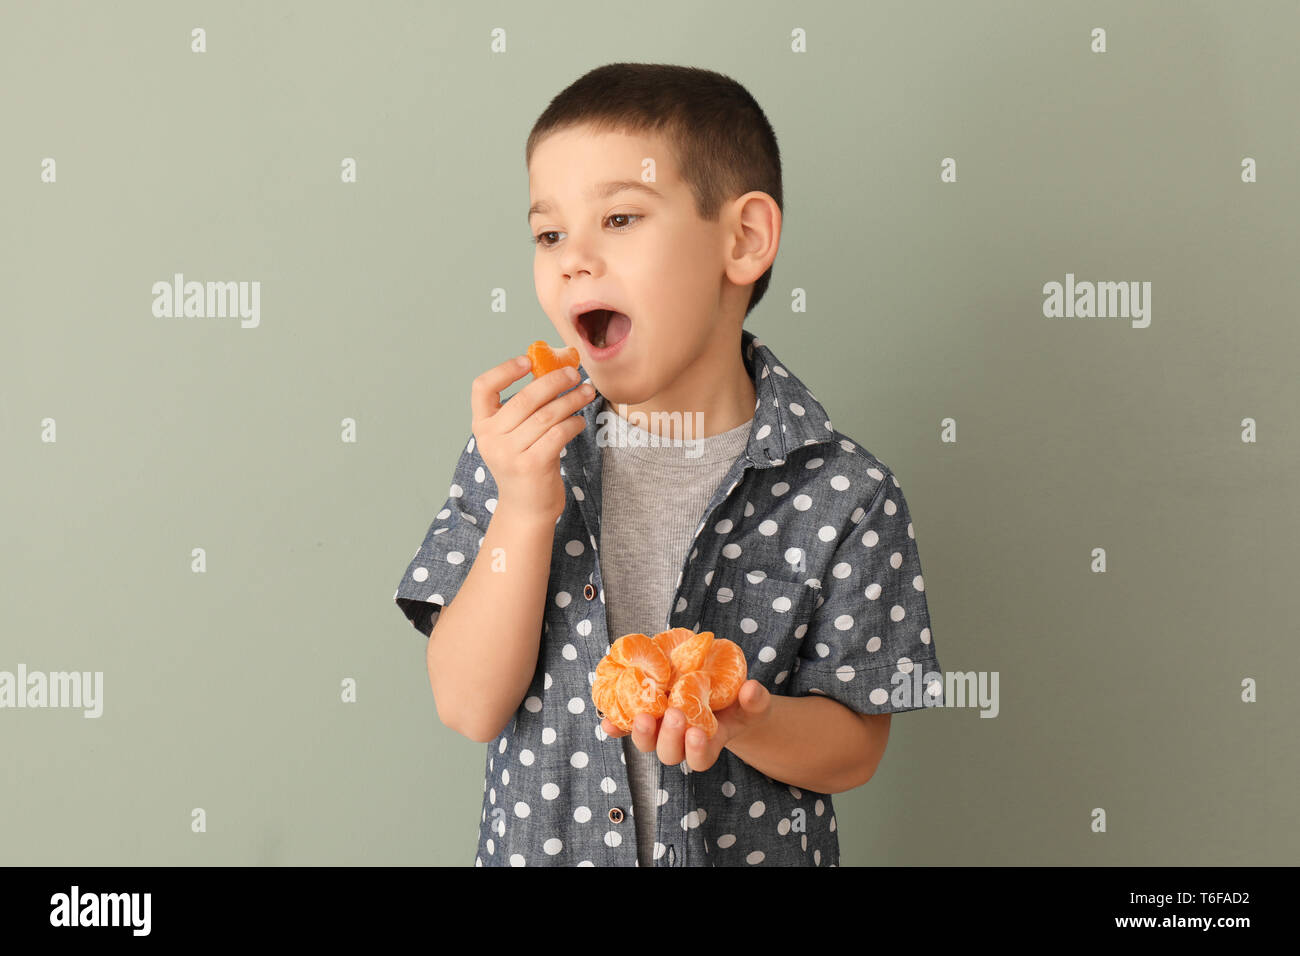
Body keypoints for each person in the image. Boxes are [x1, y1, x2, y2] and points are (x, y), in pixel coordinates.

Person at [394, 63, 944, 866]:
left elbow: (855, 748)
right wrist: (522, 508)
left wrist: (748, 721)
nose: (573, 259)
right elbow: (469, 705)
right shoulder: (520, 455)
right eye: (549, 233)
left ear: (744, 239)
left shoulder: (843, 493)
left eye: (619, 218)